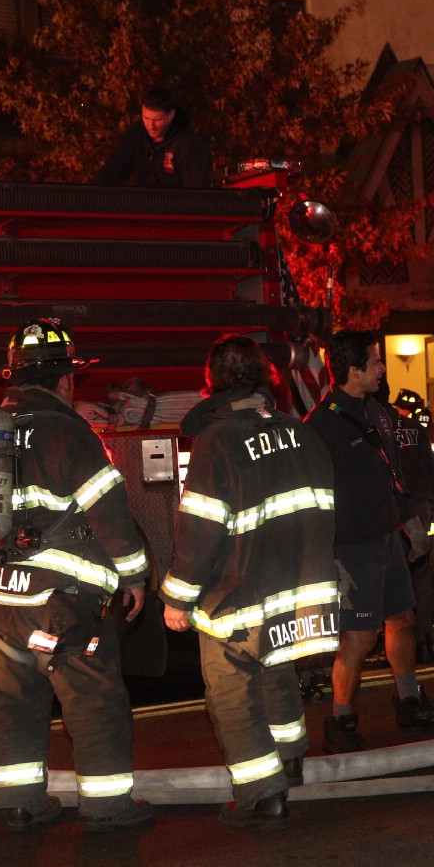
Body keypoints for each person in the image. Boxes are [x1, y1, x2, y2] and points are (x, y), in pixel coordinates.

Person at [0, 318, 153, 834]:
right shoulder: (71, 433)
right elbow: (110, 513)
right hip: (61, 607)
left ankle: (18, 803)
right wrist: (134, 579)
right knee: (93, 700)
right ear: (66, 380)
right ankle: (109, 807)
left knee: (14, 701)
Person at [160, 335, 339, 832]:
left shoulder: (217, 441)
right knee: (276, 672)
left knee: (231, 691)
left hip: (239, 598)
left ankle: (263, 795)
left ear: (211, 382)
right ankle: (291, 762)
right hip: (297, 592)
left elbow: (201, 527)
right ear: (267, 378)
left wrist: (178, 598)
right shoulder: (303, 433)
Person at [304, 331, 434, 752]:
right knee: (359, 637)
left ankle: (409, 702)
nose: (382, 369)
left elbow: (390, 475)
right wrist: (327, 558)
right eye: (375, 362)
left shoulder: (376, 413)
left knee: (403, 620)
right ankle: (341, 721)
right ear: (353, 371)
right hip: (351, 548)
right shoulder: (320, 427)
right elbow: (311, 500)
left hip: (386, 539)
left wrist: (409, 521)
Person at [389, 387, 434, 661]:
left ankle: (394, 642)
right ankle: (423, 641)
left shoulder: (373, 428)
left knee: (391, 575)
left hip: (390, 507)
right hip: (419, 503)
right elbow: (430, 466)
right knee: (420, 573)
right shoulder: (413, 428)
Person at [91, 86, 214, 189]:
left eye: (157, 120)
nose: (151, 126)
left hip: (175, 213)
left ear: (171, 115)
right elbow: (112, 172)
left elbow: (198, 195)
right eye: (146, 118)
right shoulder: (136, 134)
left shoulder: (190, 146)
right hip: (143, 209)